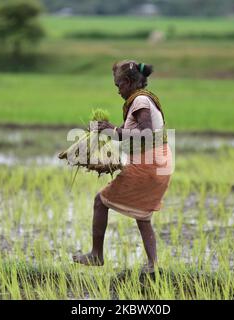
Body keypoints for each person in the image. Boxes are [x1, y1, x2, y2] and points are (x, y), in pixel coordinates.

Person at [72, 60, 173, 272]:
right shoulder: (143, 99)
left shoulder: (141, 102)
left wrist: (113, 129)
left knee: (101, 201)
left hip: (149, 163)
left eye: (118, 85)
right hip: (160, 162)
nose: (117, 90)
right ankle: (153, 265)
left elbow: (144, 133)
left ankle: (96, 255)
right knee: (142, 215)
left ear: (128, 82)